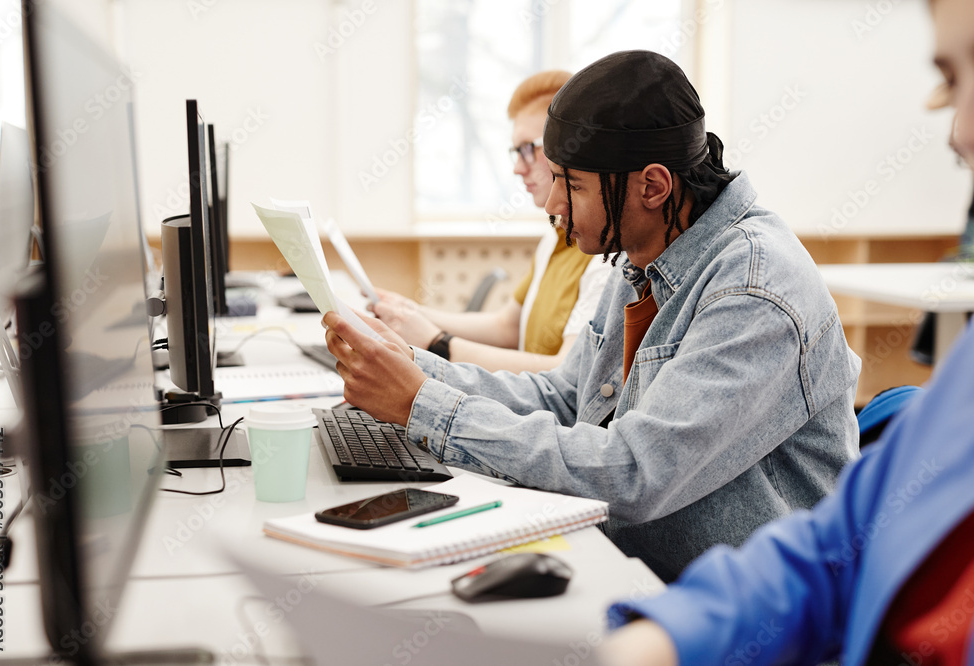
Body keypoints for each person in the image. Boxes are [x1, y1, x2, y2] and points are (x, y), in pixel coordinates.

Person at [323, 50, 860, 581]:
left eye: (572, 184)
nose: (553, 204)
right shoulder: (641, 254)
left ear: (653, 186)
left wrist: (424, 406)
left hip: (748, 617)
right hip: (635, 570)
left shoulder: (754, 289)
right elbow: (565, 399)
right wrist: (412, 367)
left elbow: (634, 473)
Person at [598, 0, 974, 663]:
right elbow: (836, 548)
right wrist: (670, 636)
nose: (958, 133)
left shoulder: (754, 281)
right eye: (952, 81)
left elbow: (635, 472)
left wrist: (435, 397)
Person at [371, 71, 613, 373]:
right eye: (517, 151)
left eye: (528, 148)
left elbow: (567, 378)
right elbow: (508, 326)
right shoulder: (556, 234)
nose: (516, 169)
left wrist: (437, 342)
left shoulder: (610, 255)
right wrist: (409, 314)